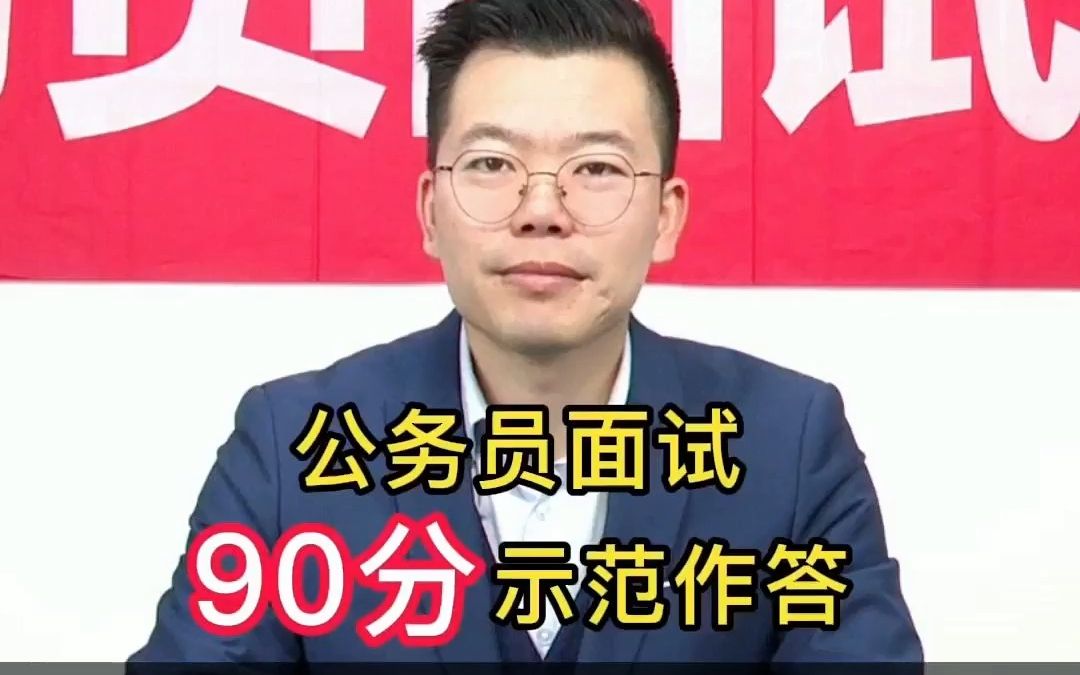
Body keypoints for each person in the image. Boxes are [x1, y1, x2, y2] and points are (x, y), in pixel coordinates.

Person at [130, 0, 922, 665]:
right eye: (491, 164)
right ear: (430, 210)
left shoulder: (787, 448)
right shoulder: (292, 448)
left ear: (666, 216)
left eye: (597, 168)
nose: (541, 209)